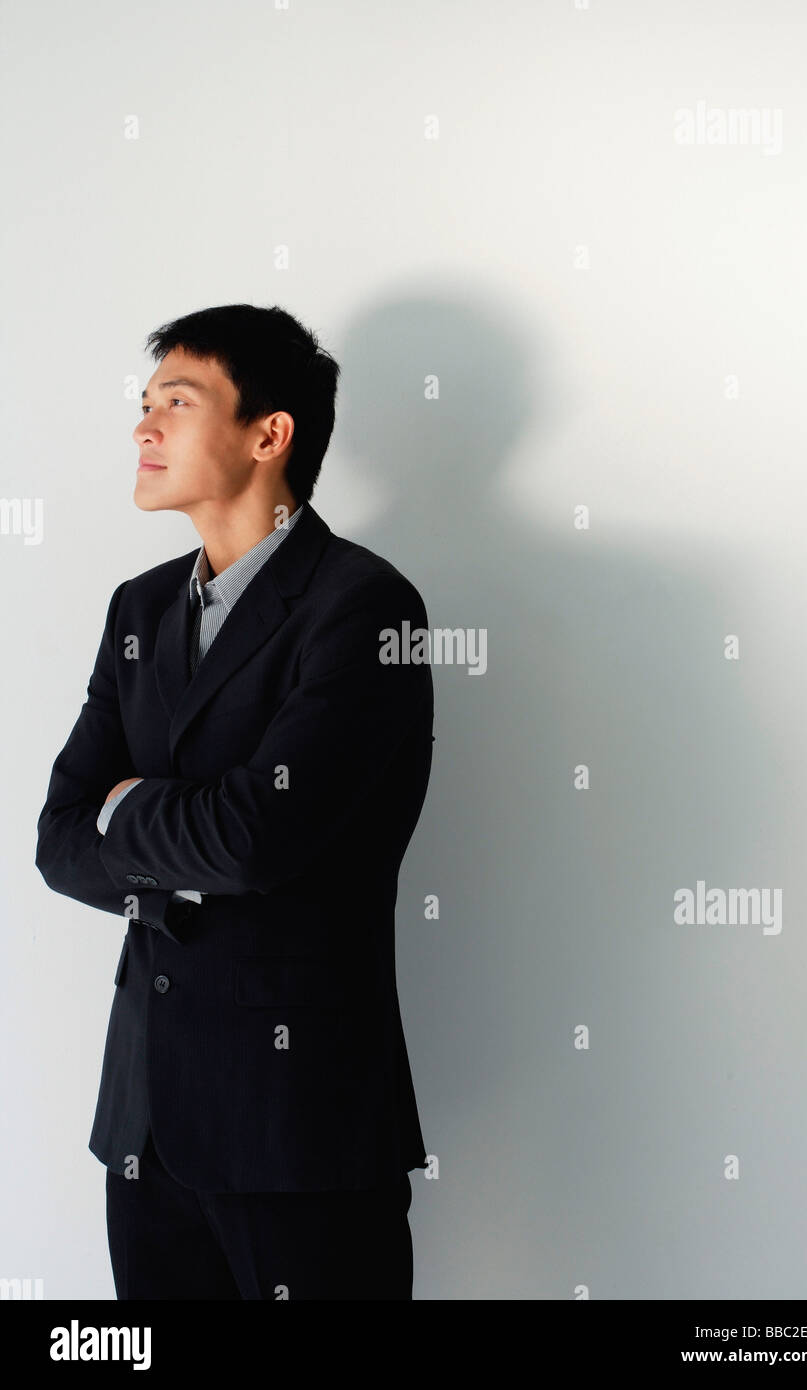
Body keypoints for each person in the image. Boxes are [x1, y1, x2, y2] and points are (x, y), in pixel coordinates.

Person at [35, 303, 434, 1300]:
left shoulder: (366, 606)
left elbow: (258, 837)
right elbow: (57, 839)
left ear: (268, 433)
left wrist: (131, 807)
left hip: (299, 1126)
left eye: (177, 401)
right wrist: (174, 836)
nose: (144, 427)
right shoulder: (138, 609)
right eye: (143, 403)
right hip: (146, 1122)